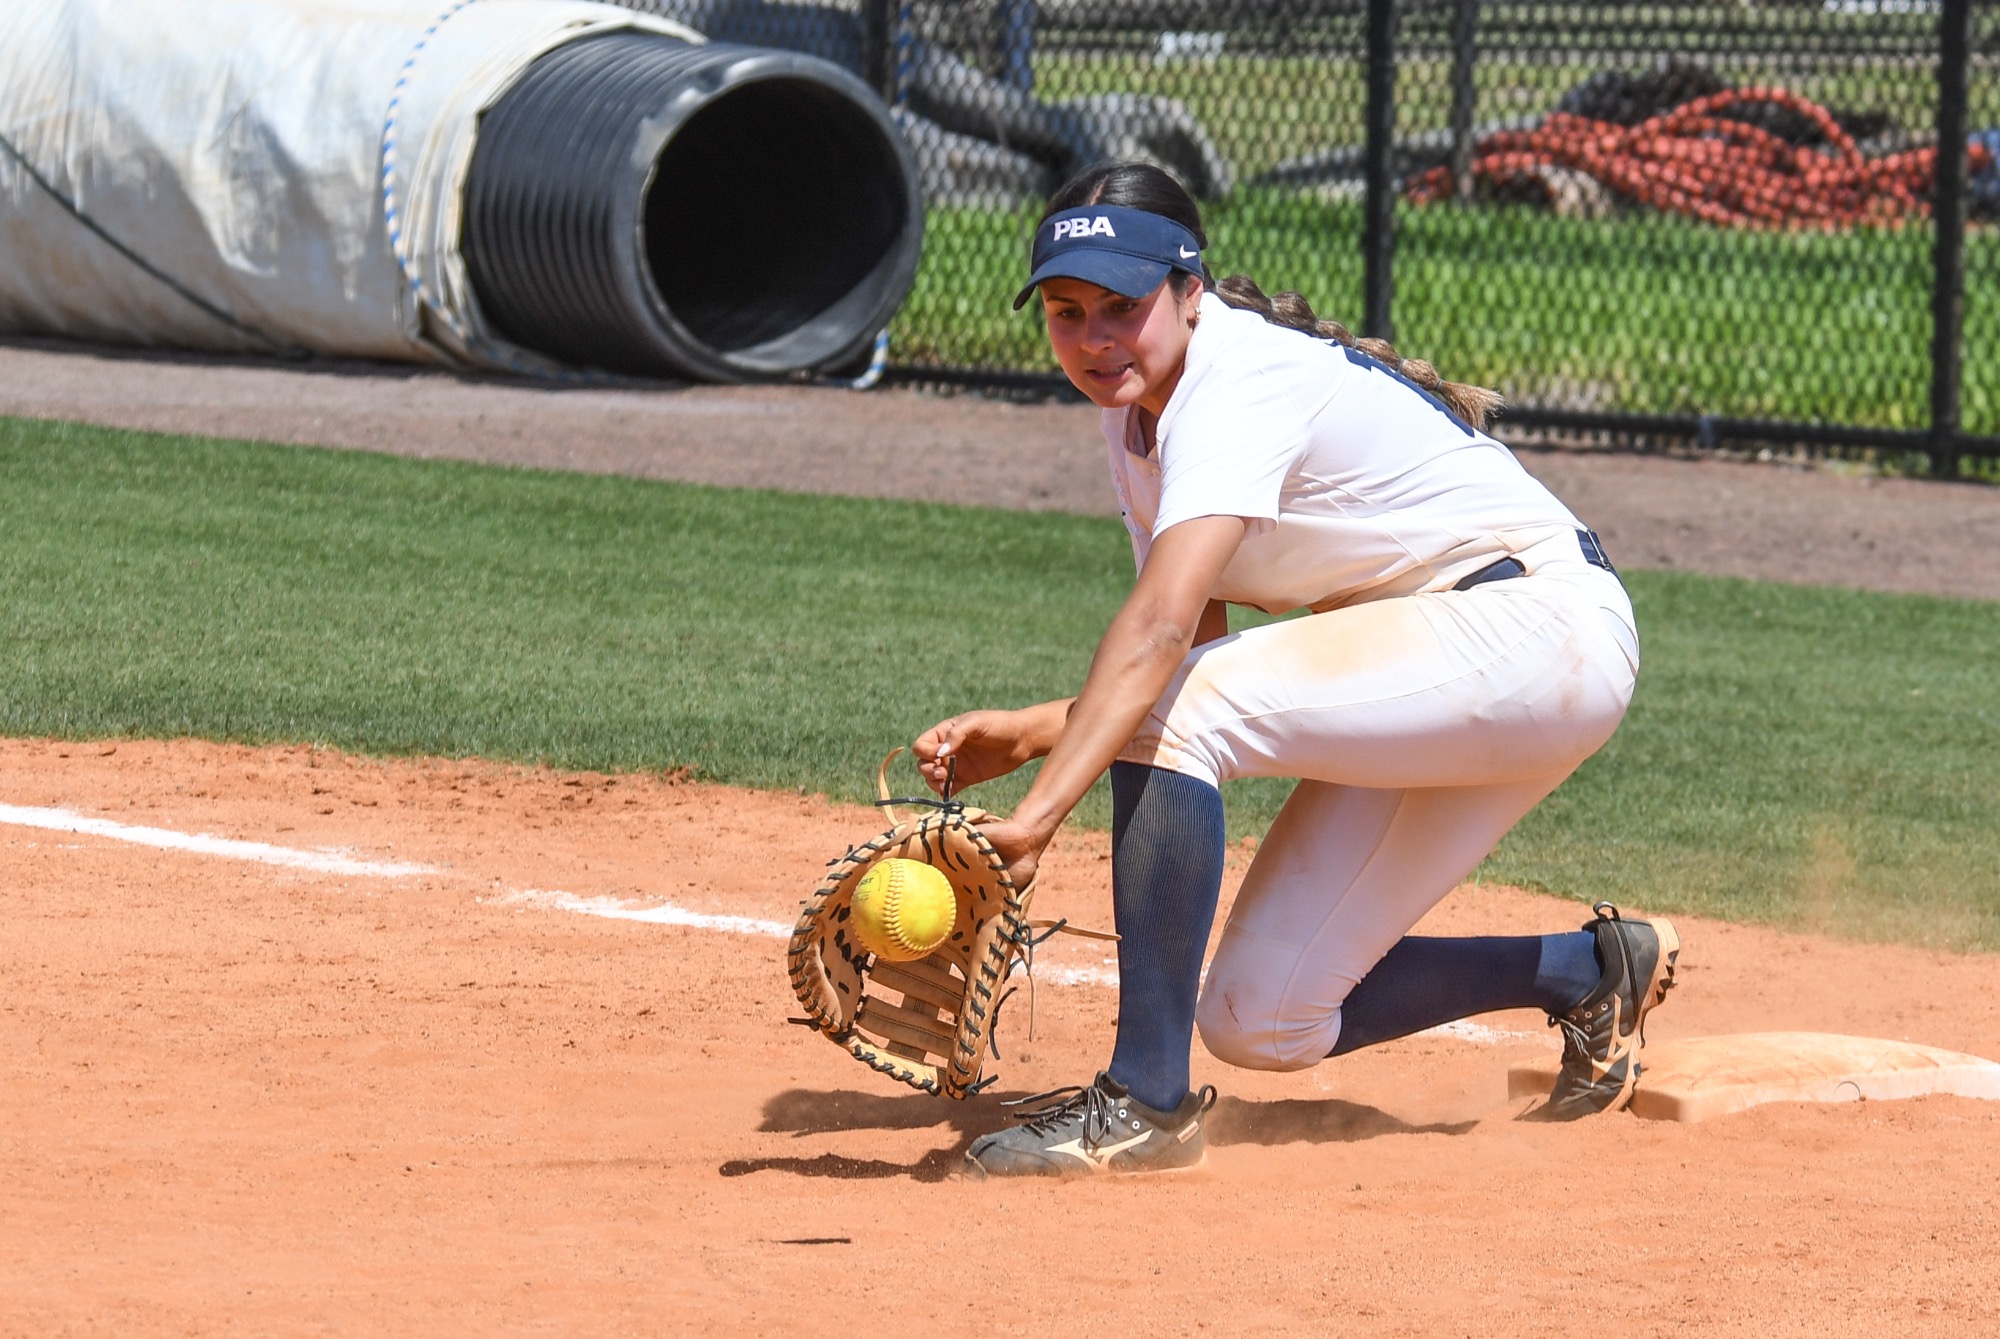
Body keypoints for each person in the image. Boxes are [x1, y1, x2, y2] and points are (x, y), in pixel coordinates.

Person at [911, 162, 1680, 1179]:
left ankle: (1143, 1099)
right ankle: (1588, 971)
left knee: (1185, 717)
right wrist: (1029, 728)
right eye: (1063, 312)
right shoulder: (1133, 411)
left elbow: (1163, 649)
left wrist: (1036, 816)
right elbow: (1190, 648)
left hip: (1534, 629)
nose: (1093, 338)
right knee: (1258, 1015)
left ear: (1189, 293)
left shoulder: (1236, 378)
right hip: (1444, 666)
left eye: (1120, 306)